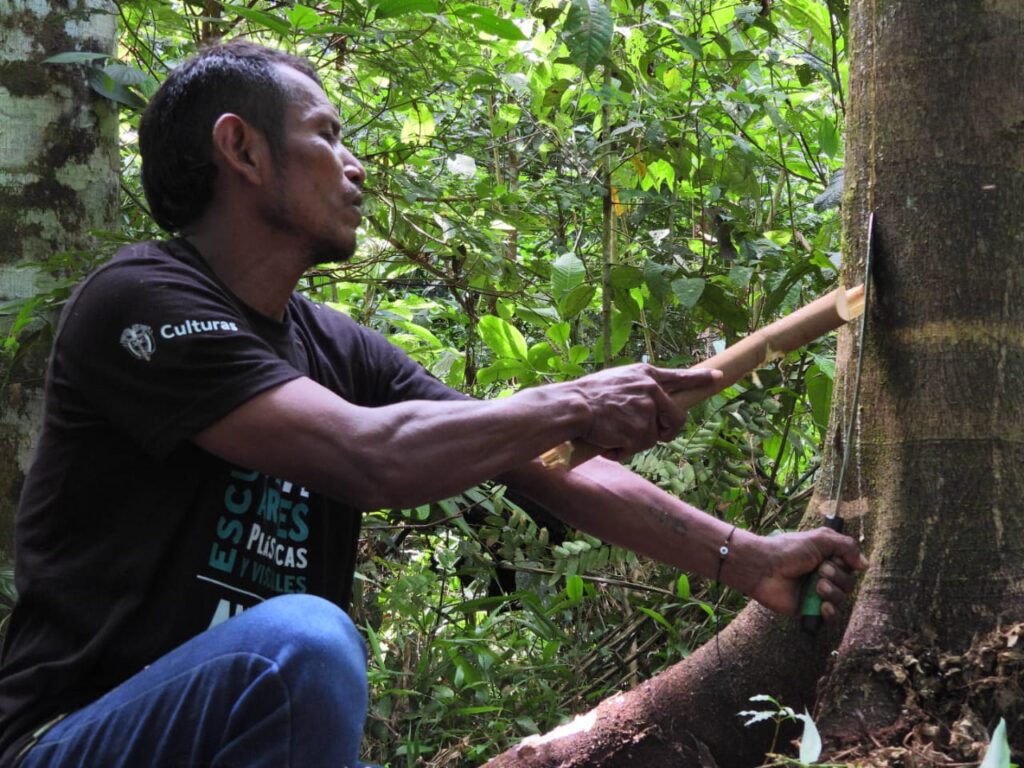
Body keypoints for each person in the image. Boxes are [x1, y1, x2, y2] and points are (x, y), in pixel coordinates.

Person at [0, 40, 867, 768]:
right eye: (326, 136)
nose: (355, 163)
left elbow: (548, 470)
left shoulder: (337, 347)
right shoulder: (140, 299)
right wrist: (572, 399)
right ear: (244, 150)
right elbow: (369, 456)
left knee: (302, 649)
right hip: (70, 739)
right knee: (300, 641)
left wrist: (747, 557)